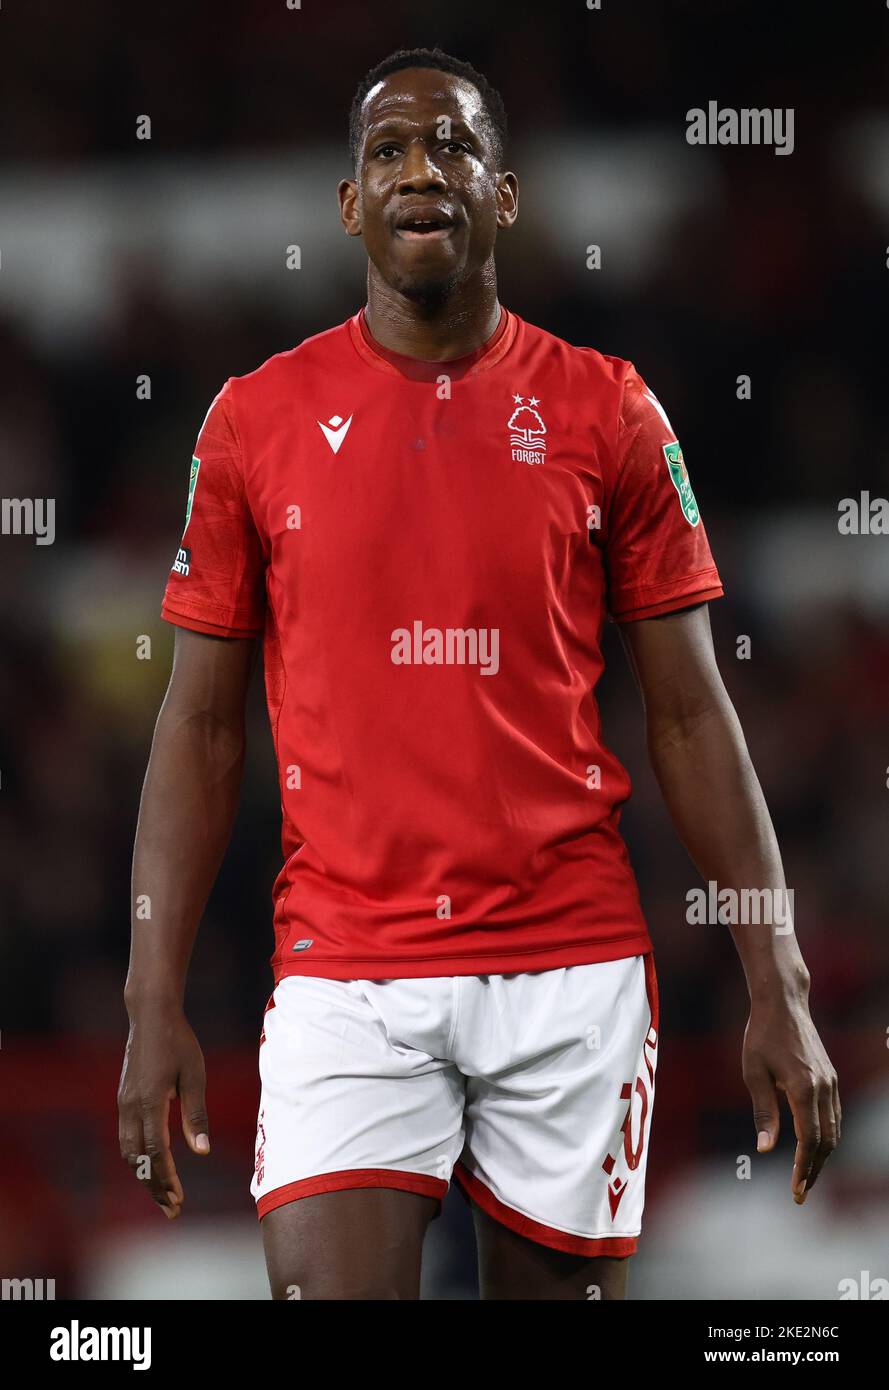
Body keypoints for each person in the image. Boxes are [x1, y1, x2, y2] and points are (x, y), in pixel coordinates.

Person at [118, 46, 840, 1301]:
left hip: (569, 966)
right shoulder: (254, 421)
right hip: (345, 969)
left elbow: (688, 712)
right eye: (387, 149)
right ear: (349, 203)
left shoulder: (610, 411)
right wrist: (150, 996)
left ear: (501, 194)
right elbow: (197, 732)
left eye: (450, 144)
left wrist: (775, 977)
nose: (419, 170)